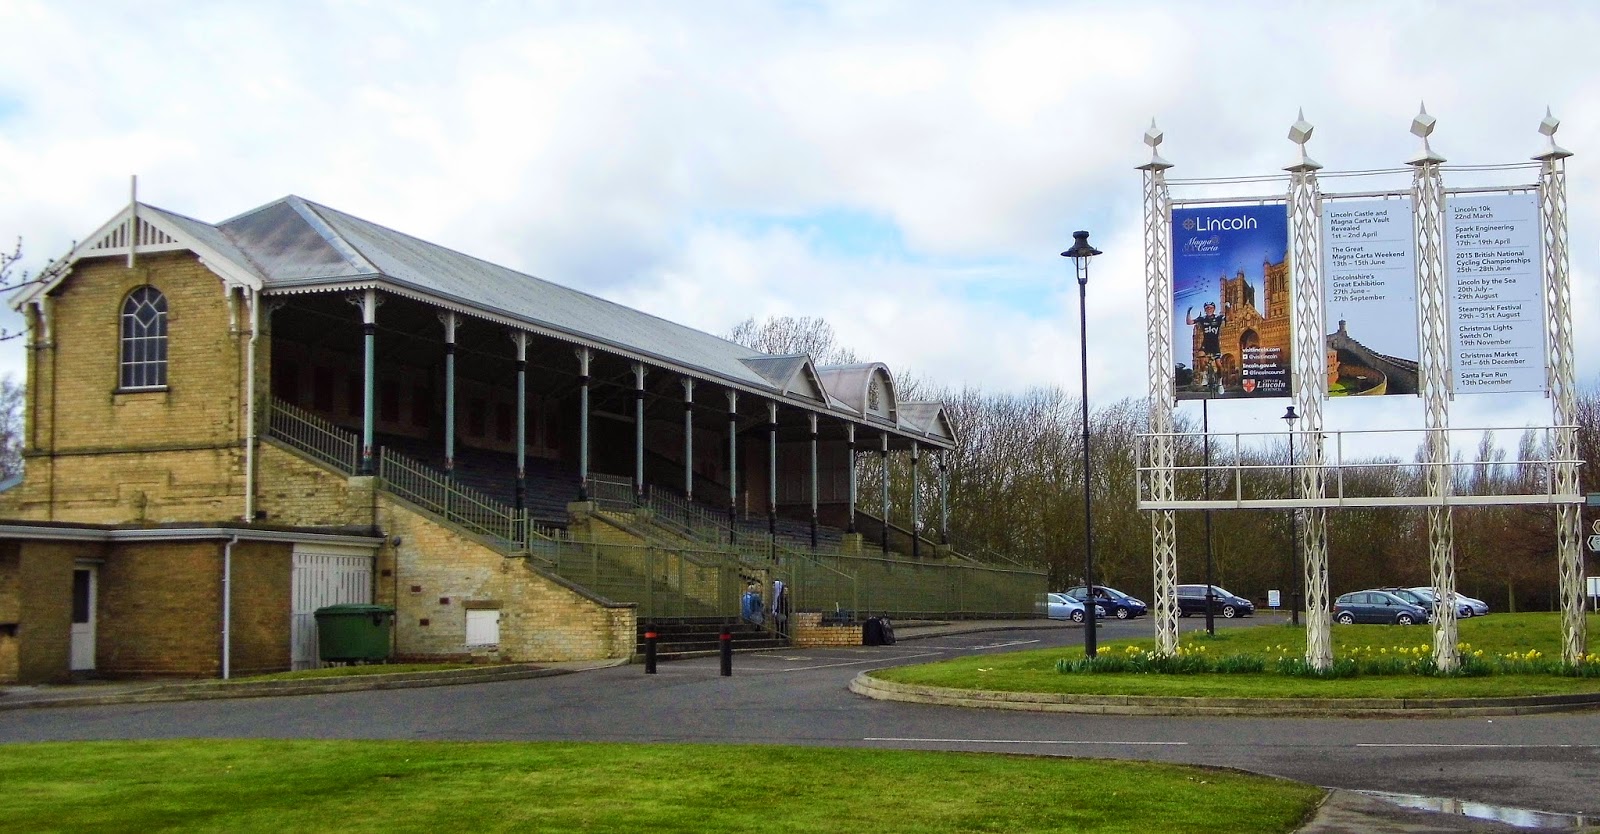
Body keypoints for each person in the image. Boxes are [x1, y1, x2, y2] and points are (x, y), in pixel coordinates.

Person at [1185, 301, 1230, 392]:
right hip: (1205, 344)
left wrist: (1228, 308)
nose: (1209, 309)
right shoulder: (1202, 318)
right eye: (1207, 308)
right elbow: (1189, 322)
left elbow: (1230, 318)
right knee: (1200, 357)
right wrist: (1188, 312)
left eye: (1210, 307)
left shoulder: (1219, 317)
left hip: (1215, 345)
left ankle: (1220, 383)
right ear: (1205, 310)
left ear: (1214, 309)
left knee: (1219, 365)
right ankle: (1204, 376)